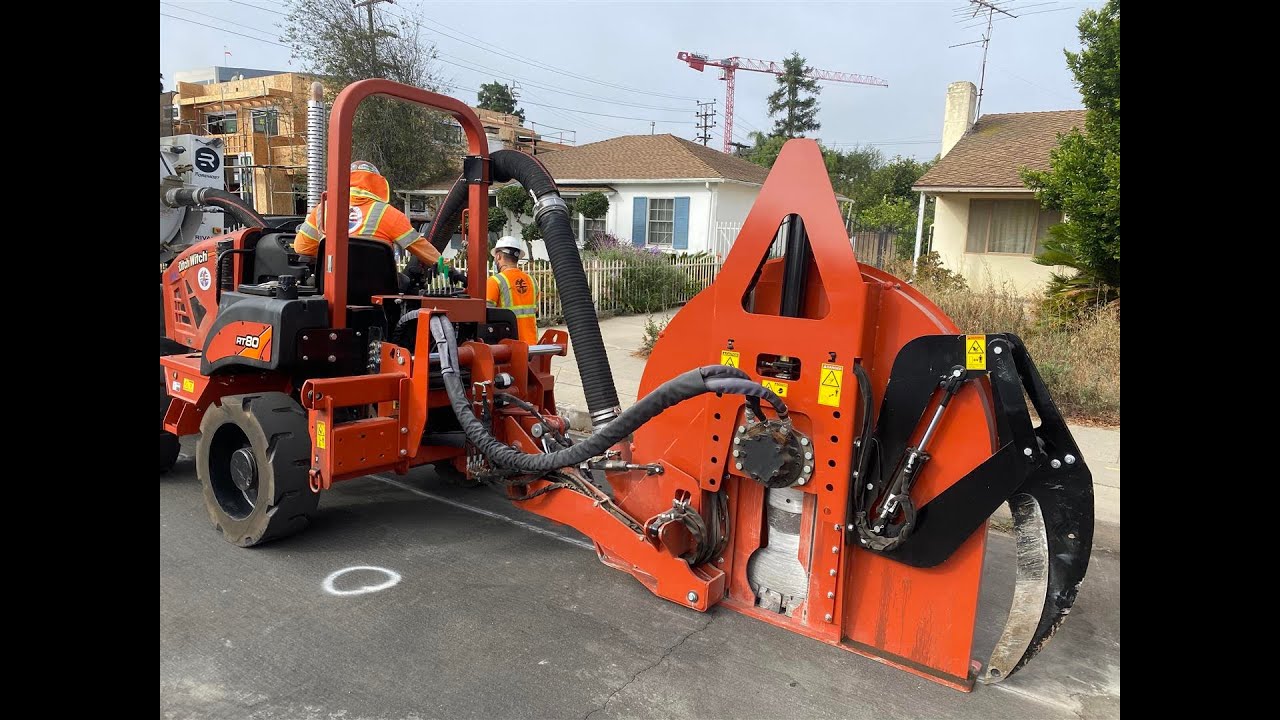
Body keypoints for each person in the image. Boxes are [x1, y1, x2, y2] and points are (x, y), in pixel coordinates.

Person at [293, 161, 442, 269]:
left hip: (331, 290)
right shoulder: (390, 214)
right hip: (379, 291)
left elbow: (301, 248)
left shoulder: (322, 209)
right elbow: (423, 250)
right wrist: (447, 268)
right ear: (378, 184)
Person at [487, 236, 538, 344]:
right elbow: (535, 309)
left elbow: (485, 316)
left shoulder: (495, 281)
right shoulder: (532, 281)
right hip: (532, 345)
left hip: (508, 347)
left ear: (498, 256)